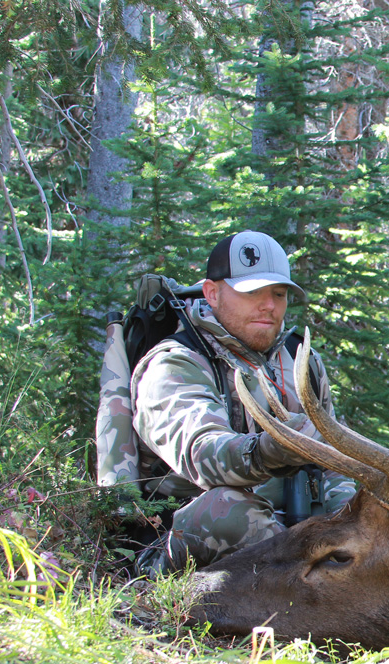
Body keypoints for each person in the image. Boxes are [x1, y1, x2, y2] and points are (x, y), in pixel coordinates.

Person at [131, 230, 355, 575]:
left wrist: (349, 520)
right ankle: (311, 588)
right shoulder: (175, 362)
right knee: (227, 509)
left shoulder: (300, 361)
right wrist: (272, 449)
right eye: (252, 292)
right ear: (212, 293)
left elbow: (334, 464)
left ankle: (321, 580)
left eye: (279, 294)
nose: (269, 305)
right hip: (180, 537)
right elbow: (202, 453)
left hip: (293, 531)